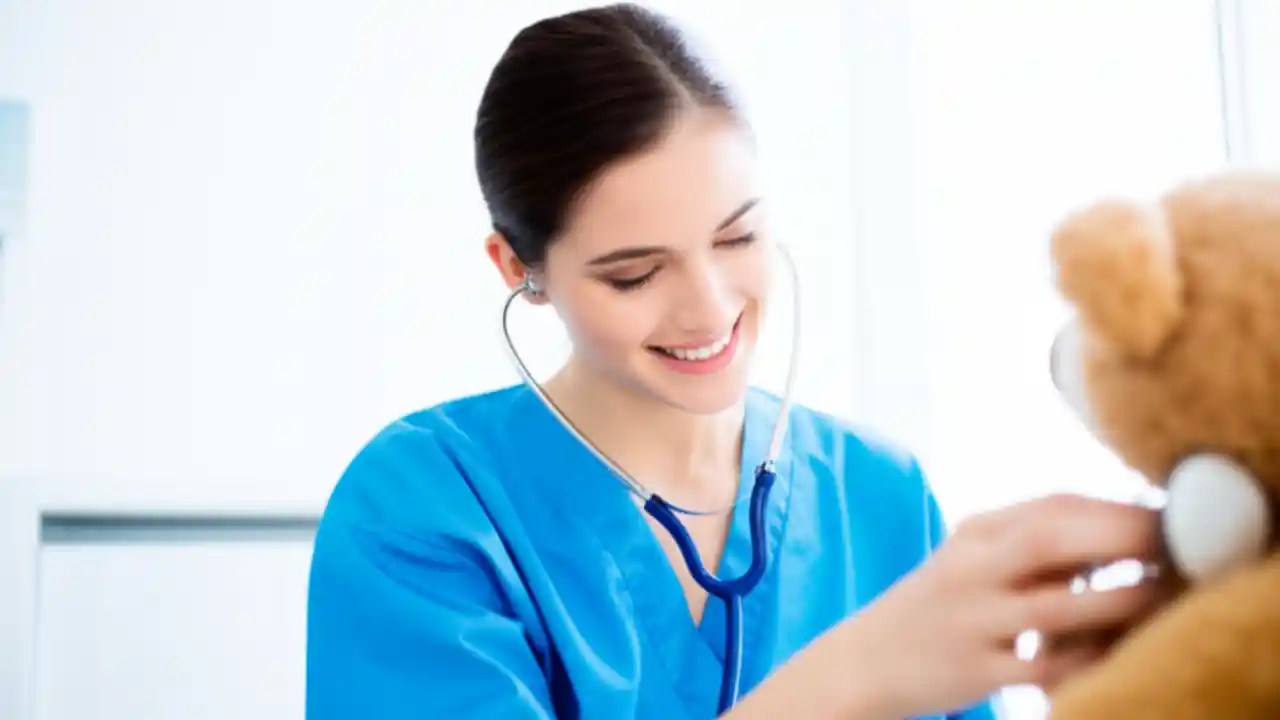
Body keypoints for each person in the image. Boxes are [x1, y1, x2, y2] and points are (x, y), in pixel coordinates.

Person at [305, 4, 1167, 718]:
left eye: (738, 236)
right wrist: (851, 680)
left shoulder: (878, 494)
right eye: (635, 273)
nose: (710, 307)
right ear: (518, 269)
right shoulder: (424, 510)